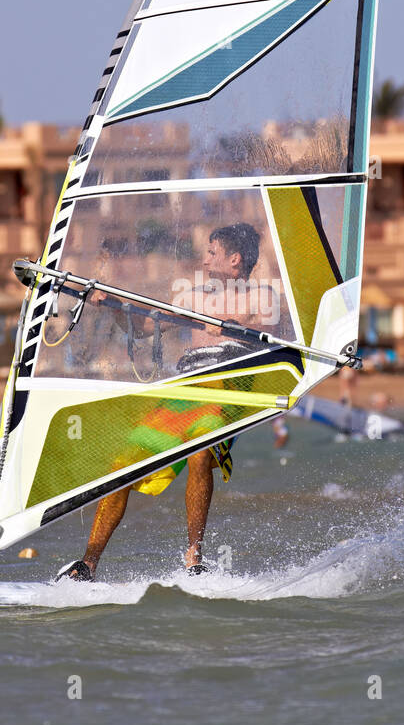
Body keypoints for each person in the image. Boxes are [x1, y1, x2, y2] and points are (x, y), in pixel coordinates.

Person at [57, 223, 274, 582]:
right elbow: (142, 329)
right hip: (185, 390)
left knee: (200, 450)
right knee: (122, 464)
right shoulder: (194, 297)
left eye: (212, 252)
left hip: (227, 387)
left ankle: (194, 557)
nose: (204, 259)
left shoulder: (261, 297)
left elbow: (268, 332)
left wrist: (231, 325)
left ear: (235, 260)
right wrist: (112, 307)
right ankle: (88, 563)